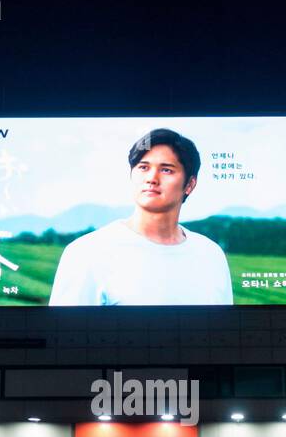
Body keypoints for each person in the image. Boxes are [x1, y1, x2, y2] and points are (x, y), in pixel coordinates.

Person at [48, 129, 234, 307]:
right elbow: (65, 335)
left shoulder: (211, 255)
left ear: (190, 184)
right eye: (143, 167)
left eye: (167, 170)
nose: (152, 178)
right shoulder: (86, 253)